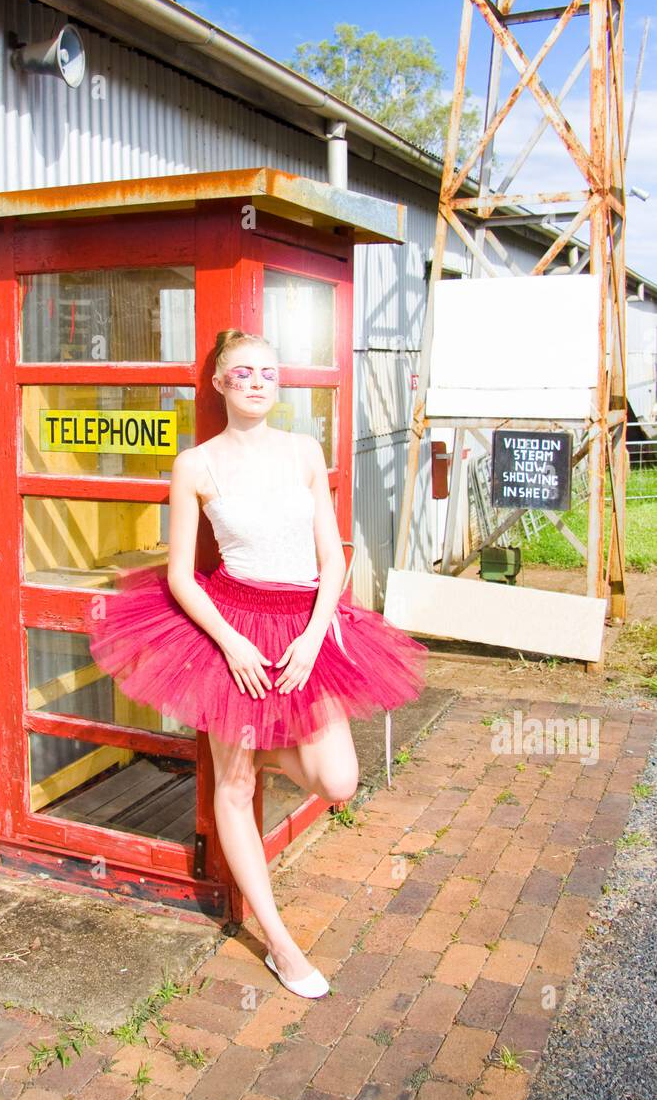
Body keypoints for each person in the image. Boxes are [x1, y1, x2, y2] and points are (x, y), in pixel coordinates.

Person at [86, 328, 428, 999]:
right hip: (232, 627)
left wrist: (315, 630)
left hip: (306, 626)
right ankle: (279, 941)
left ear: (279, 381)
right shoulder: (196, 465)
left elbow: (332, 557)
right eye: (241, 372)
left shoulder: (303, 450)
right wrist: (229, 642)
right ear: (218, 383)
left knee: (337, 780)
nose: (255, 382)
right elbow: (181, 575)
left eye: (267, 371)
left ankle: (261, 751)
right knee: (232, 787)